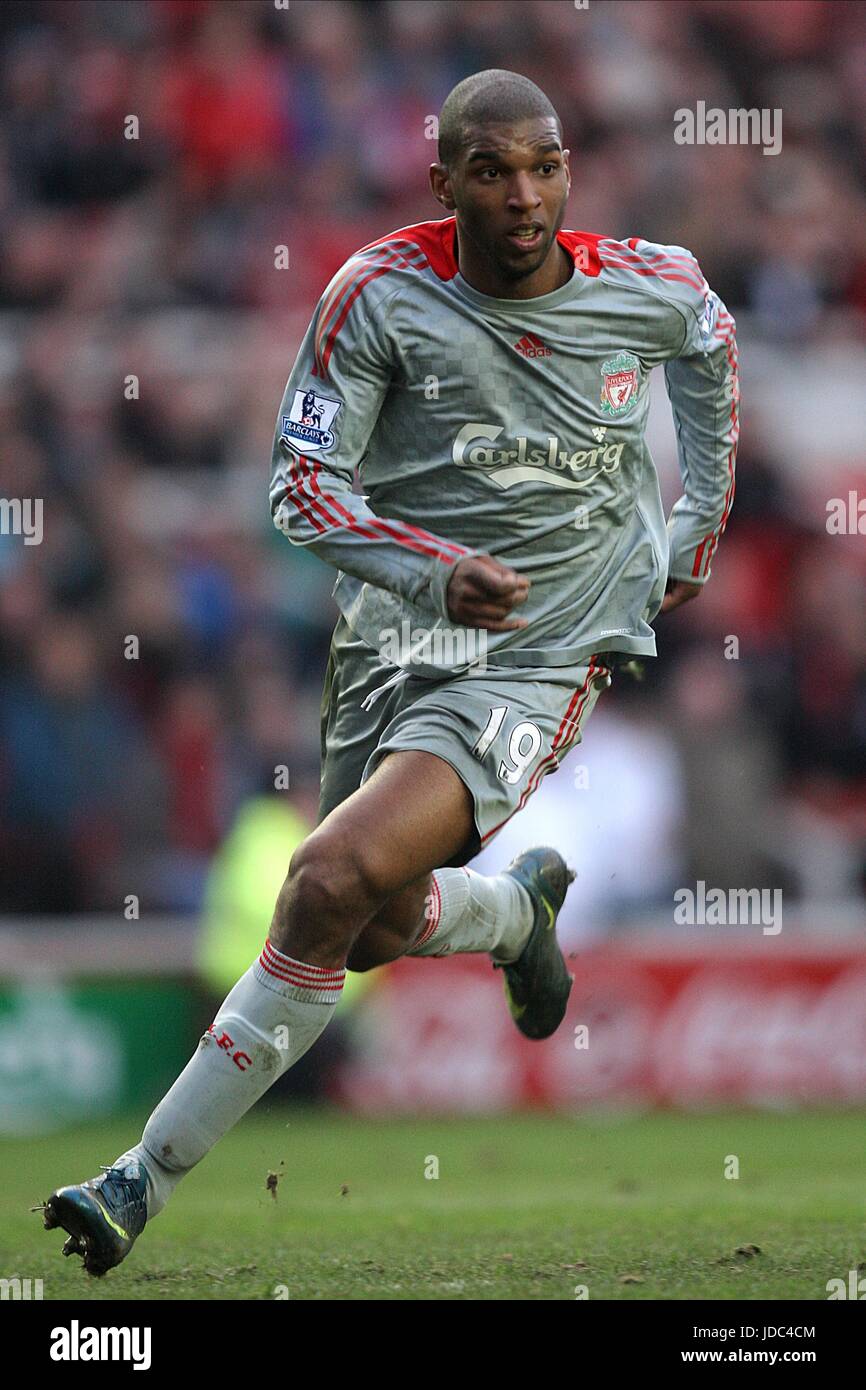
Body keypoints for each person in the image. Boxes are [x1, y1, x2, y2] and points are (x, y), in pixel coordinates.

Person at [41, 69, 738, 1275]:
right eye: (491, 170)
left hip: (543, 646)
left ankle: (135, 1178)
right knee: (362, 931)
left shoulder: (648, 283)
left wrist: (692, 531)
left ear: (565, 172)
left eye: (545, 166)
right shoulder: (377, 296)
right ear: (444, 183)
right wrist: (431, 570)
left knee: (322, 878)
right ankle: (515, 912)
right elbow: (298, 488)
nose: (523, 195)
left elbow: (711, 355)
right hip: (394, 641)